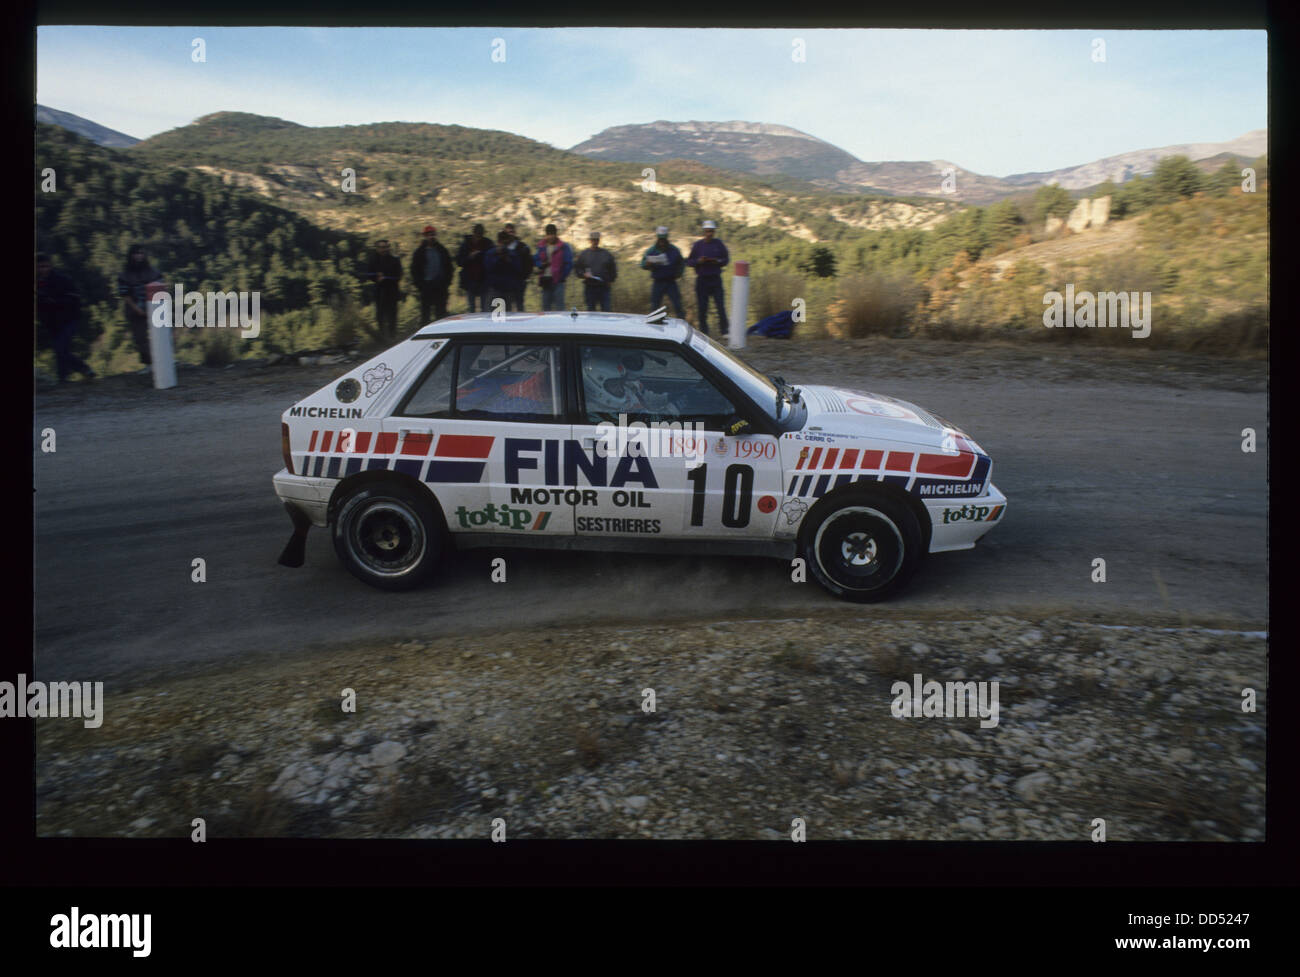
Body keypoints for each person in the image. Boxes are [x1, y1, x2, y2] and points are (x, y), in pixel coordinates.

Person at [37, 253, 95, 382]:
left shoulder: (61, 280)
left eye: (45, 266)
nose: (43, 269)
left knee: (60, 348)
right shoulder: (38, 283)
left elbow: (74, 298)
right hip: (51, 323)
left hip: (69, 319)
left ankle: (79, 371)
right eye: (40, 267)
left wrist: (55, 302)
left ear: (50, 266)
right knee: (60, 351)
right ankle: (65, 377)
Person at [117, 244, 162, 367]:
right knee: (140, 338)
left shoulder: (152, 272)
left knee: (160, 336)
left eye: (141, 253)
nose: (139, 256)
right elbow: (125, 295)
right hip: (135, 310)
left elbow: (160, 287)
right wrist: (137, 309)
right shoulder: (125, 275)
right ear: (131, 256)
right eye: (136, 253)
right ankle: (150, 364)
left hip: (154, 308)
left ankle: (161, 361)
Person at [687, 220, 730, 336]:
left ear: (714, 232)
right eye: (707, 231)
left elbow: (726, 260)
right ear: (704, 232)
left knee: (720, 305)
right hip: (702, 279)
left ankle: (724, 331)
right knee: (702, 308)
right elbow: (689, 261)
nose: (709, 234)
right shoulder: (698, 245)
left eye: (711, 231)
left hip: (715, 279)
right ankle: (703, 332)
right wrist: (698, 261)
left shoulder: (719, 244)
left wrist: (717, 261)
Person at [409, 225, 452, 324]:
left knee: (441, 314)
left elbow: (449, 267)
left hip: (440, 286)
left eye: (432, 234)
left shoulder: (442, 250)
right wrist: (420, 285)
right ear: (425, 236)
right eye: (428, 235)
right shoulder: (419, 252)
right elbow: (414, 270)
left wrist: (447, 282)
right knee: (425, 314)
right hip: (426, 286)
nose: (431, 237)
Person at [639, 226, 686, 319]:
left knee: (678, 305)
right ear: (657, 237)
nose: (662, 241)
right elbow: (642, 264)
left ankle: (682, 324)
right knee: (654, 306)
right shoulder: (651, 250)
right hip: (658, 281)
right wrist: (647, 264)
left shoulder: (674, 250)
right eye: (660, 238)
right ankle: (653, 326)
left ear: (667, 237)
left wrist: (679, 273)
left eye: (663, 238)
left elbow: (681, 263)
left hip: (671, 282)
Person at [365, 239, 403, 340]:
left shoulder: (395, 260)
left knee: (392, 316)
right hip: (379, 291)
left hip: (392, 291)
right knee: (380, 316)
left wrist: (386, 278)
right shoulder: (373, 260)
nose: (384, 249)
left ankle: (392, 337)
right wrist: (376, 276)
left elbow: (398, 276)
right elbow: (368, 274)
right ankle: (382, 337)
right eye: (382, 247)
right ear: (377, 248)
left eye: (386, 247)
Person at [533, 223, 574, 312]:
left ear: (555, 234)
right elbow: (535, 259)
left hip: (558, 281)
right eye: (548, 234)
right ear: (546, 235)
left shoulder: (563, 247)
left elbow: (569, 263)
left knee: (560, 307)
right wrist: (540, 264)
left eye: (552, 234)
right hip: (545, 280)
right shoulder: (541, 246)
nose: (550, 236)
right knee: (546, 307)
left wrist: (562, 276)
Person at [573, 232, 617, 311]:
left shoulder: (606, 254)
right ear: (590, 241)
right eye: (593, 240)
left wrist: (610, 280)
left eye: (596, 240)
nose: (595, 242)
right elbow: (577, 269)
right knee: (591, 312)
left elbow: (613, 269)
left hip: (604, 288)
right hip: (590, 287)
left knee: (606, 312)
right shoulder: (584, 254)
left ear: (599, 240)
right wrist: (583, 274)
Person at [485, 232, 526, 312]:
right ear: (498, 242)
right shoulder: (491, 253)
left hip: (508, 289)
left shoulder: (512, 255)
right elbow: (488, 268)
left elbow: (518, 269)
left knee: (507, 314)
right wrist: (498, 257)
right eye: (502, 242)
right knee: (493, 314)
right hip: (495, 288)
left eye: (505, 243)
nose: (503, 245)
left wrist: (509, 260)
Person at [455, 223, 492, 312]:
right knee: (471, 309)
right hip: (470, 280)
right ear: (474, 234)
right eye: (477, 235)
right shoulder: (465, 245)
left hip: (484, 281)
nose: (479, 237)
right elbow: (459, 261)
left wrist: (482, 255)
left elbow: (491, 260)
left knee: (485, 309)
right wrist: (469, 257)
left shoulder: (487, 244)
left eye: (480, 235)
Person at [502, 223, 531, 311]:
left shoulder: (523, 247)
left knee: (519, 306)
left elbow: (529, 263)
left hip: (519, 281)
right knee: (507, 307)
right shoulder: (502, 247)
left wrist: (524, 277)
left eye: (511, 232)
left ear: (514, 233)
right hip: (506, 281)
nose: (509, 234)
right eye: (507, 232)